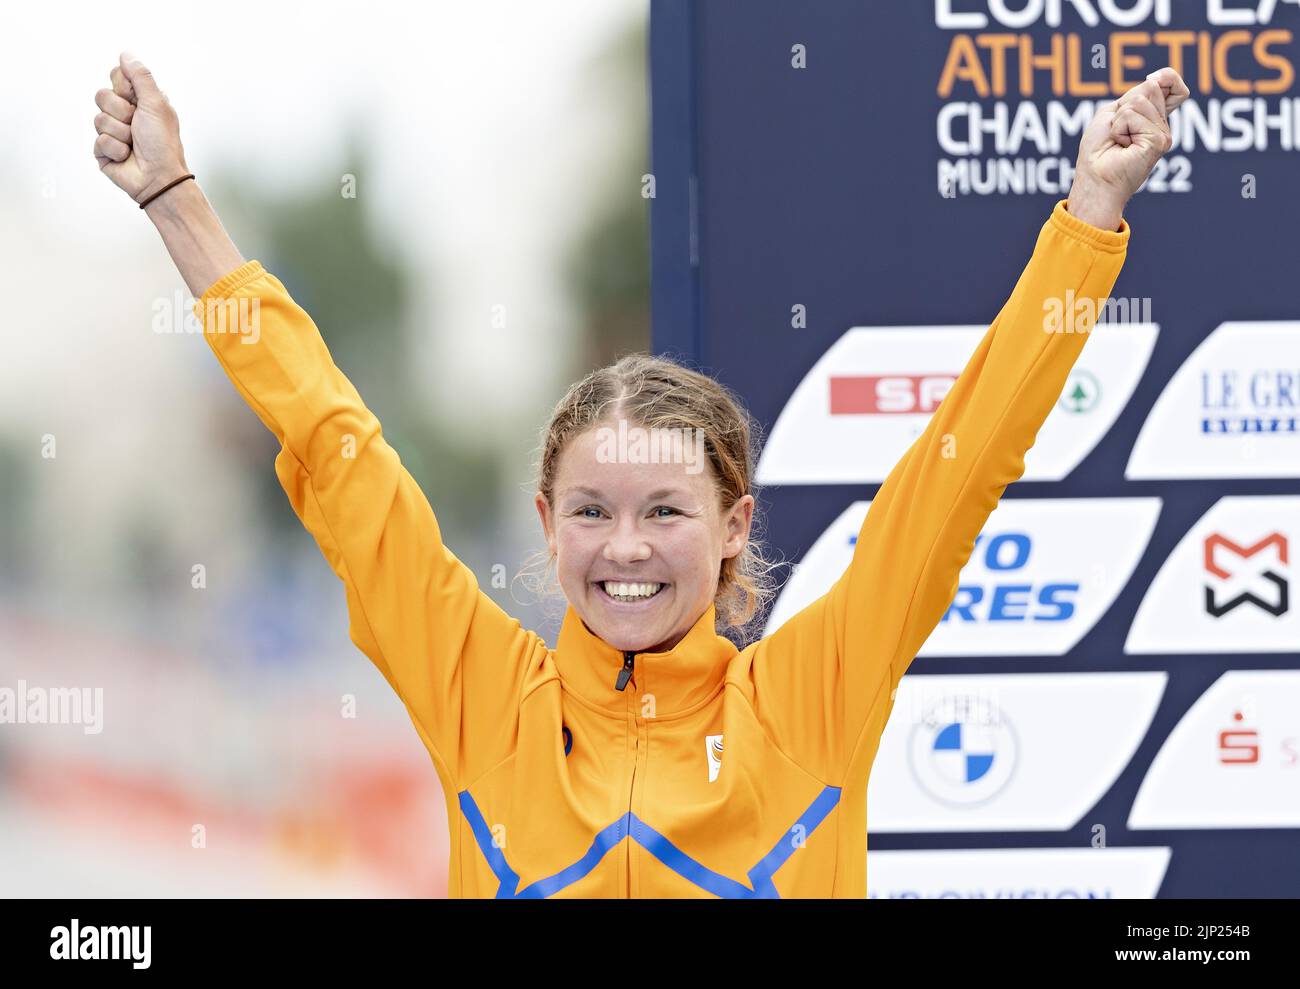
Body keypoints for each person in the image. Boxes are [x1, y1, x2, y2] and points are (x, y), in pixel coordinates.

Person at [94, 52, 1188, 898]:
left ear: (731, 523)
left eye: (664, 508)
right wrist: (176, 202)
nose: (623, 545)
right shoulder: (479, 691)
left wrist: (1089, 216)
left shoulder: (814, 690)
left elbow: (963, 461)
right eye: (591, 509)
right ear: (546, 520)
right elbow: (335, 447)